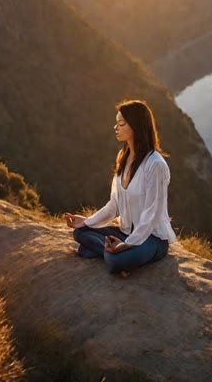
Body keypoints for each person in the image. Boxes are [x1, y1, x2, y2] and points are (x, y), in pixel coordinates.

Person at [65, 99, 177, 278]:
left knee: (111, 260)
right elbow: (114, 205)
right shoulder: (123, 157)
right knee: (80, 232)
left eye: (121, 124)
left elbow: (151, 213)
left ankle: (114, 255)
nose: (115, 127)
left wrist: (128, 244)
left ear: (136, 126)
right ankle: (111, 251)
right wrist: (86, 221)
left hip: (151, 238)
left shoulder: (155, 165)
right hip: (125, 232)